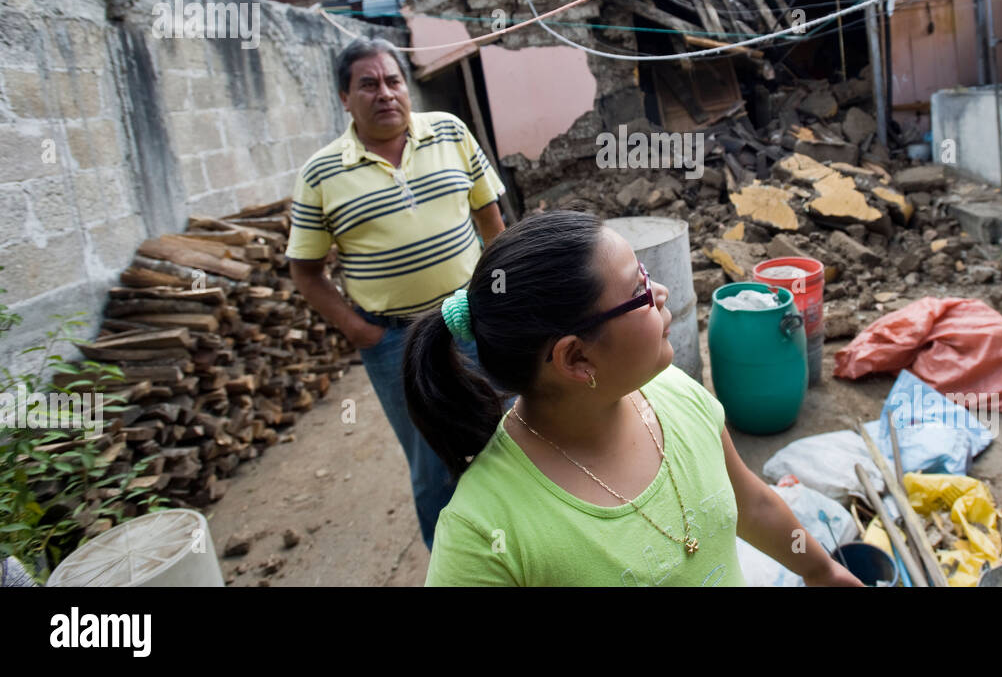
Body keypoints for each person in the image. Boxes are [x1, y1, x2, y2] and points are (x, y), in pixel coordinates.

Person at [404, 209, 861, 587]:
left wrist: (823, 572)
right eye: (638, 290)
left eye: (646, 272)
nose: (661, 292)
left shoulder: (677, 395)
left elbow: (751, 502)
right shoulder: (482, 537)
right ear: (577, 358)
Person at [287, 37, 507, 551]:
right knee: (433, 462)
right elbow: (306, 270)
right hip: (395, 341)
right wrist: (360, 331)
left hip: (474, 318)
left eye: (393, 80)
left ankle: (523, 545)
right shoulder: (321, 173)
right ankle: (455, 568)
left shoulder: (450, 132)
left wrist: (500, 294)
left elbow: (492, 222)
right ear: (345, 98)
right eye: (368, 84)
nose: (384, 93)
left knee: (508, 429)